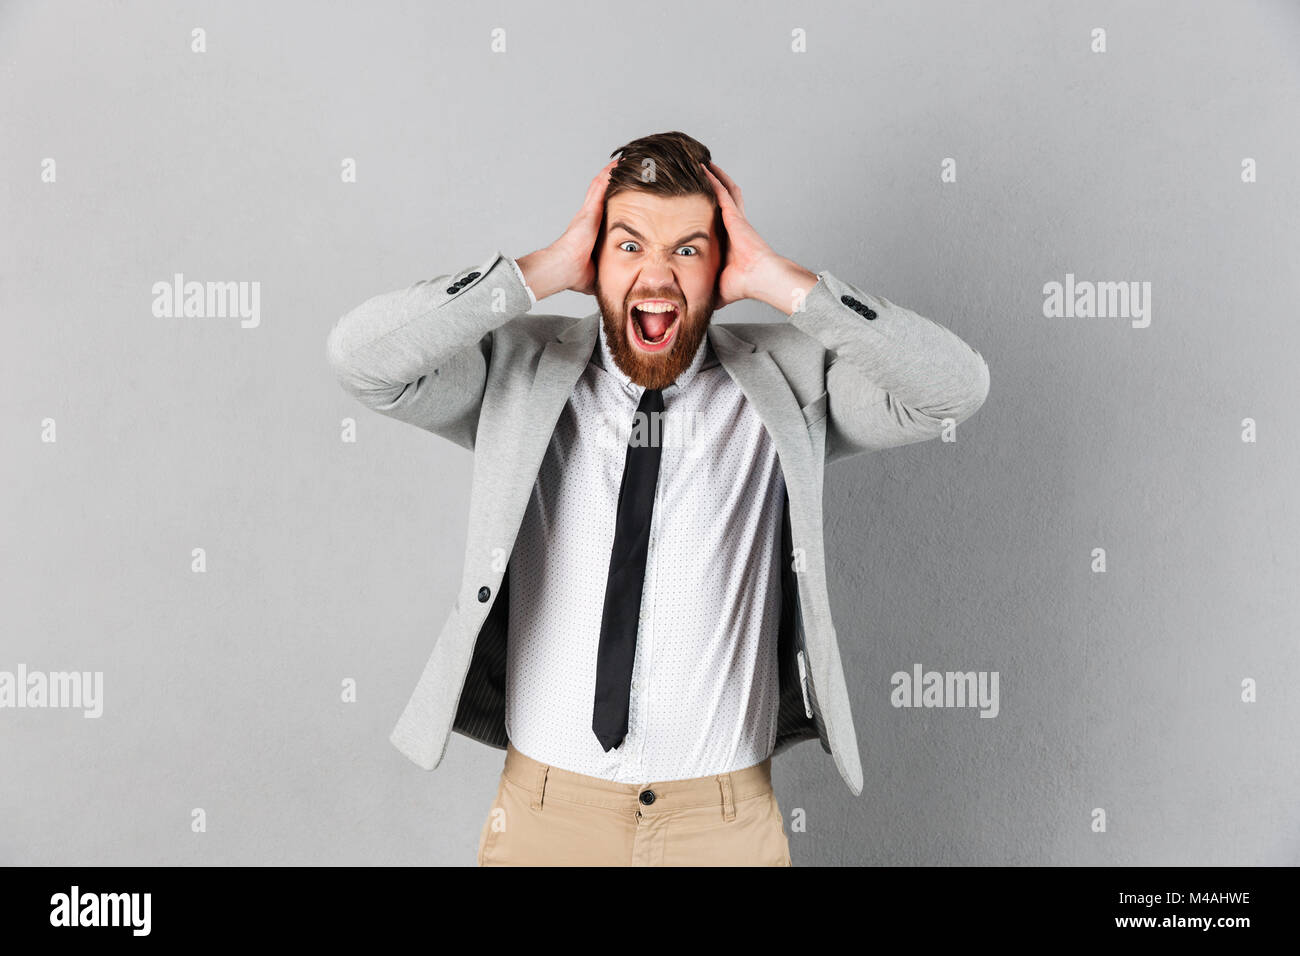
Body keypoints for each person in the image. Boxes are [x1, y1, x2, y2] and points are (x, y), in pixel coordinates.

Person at [326, 131, 991, 865]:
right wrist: (539, 270)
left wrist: (780, 280)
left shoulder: (791, 382)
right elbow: (361, 361)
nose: (657, 275)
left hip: (723, 821)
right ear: (595, 258)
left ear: (722, 266)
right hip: (547, 816)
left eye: (687, 250)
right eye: (630, 245)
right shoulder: (514, 373)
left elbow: (953, 391)